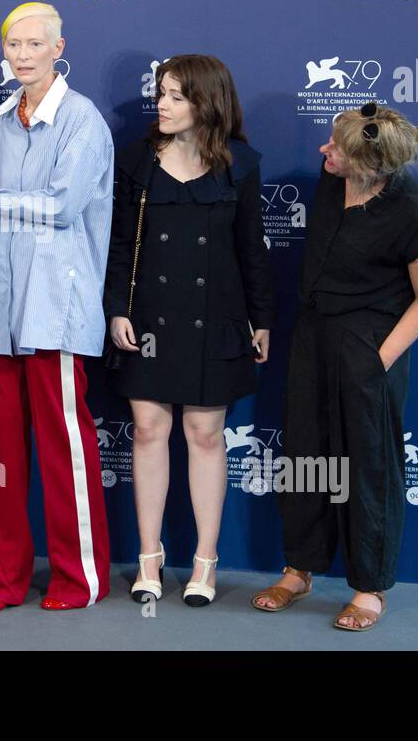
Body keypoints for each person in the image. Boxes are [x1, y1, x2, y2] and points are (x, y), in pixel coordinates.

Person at [0, 1, 114, 613]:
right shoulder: (0, 119)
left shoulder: (84, 121)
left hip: (56, 313)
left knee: (64, 450)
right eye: (14, 44)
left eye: (35, 44)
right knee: (1, 456)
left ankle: (78, 578)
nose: (22, 54)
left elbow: (62, 207)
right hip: (4, 313)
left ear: (58, 50)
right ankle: (4, 579)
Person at [251, 101, 418, 631]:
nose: (323, 151)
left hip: (372, 344)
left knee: (368, 467)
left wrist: (378, 361)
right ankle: (300, 569)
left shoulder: (413, 210)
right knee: (307, 454)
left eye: (334, 146)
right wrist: (356, 122)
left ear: (368, 163)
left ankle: (369, 587)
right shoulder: (335, 177)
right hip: (314, 337)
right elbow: (356, 129)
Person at [105, 55, 274, 607]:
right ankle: (148, 559)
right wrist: (116, 309)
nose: (163, 104)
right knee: (149, 431)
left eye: (177, 96)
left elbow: (252, 249)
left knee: (205, 435)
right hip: (149, 317)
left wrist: (263, 317)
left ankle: (205, 562)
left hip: (218, 320)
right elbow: (118, 245)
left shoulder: (241, 166)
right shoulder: (136, 162)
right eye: (162, 94)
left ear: (208, 101)